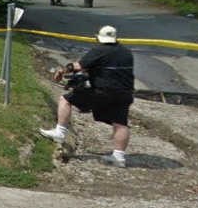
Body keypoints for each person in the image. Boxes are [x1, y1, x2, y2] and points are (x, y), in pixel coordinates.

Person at [39, 25, 135, 166]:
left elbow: (77, 66)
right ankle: (119, 157)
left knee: (65, 99)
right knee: (121, 124)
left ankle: (59, 132)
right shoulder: (127, 52)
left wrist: (62, 71)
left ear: (99, 38)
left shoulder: (99, 50)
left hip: (103, 92)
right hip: (125, 93)